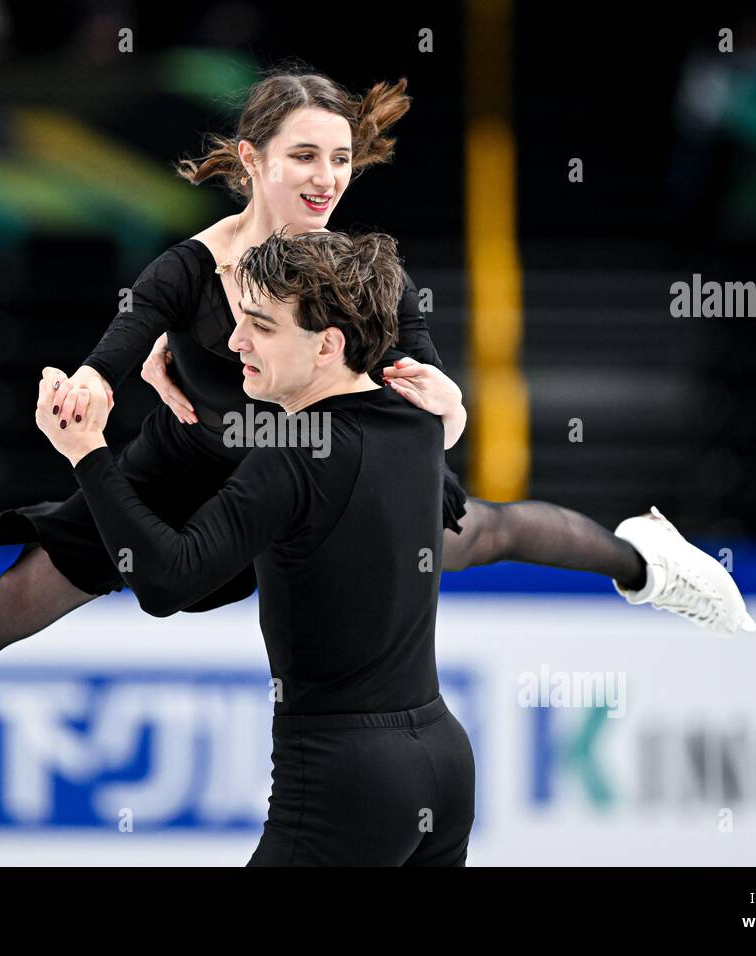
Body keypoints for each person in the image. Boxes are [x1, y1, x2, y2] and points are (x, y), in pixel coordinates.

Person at [0, 67, 752, 830]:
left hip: (316, 484)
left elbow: (429, 403)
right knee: (16, 596)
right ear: (251, 161)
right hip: (195, 481)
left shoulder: (359, 272)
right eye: (303, 157)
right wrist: (83, 393)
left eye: (340, 157)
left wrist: (451, 407)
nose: (327, 176)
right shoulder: (188, 268)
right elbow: (108, 358)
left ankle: (645, 559)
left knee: (491, 527)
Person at [40, 229, 472, 864]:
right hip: (442, 760)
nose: (235, 342)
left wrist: (88, 455)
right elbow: (437, 421)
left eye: (262, 328)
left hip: (345, 777)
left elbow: (169, 581)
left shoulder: (294, 456)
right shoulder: (417, 420)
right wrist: (454, 407)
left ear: (328, 345)